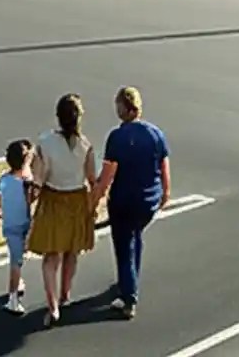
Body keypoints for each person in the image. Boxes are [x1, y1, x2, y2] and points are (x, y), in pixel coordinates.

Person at [90, 86, 171, 320]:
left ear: (124, 109)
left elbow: (107, 177)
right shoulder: (155, 134)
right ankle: (130, 278)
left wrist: (94, 201)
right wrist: (165, 193)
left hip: (124, 202)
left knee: (124, 246)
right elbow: (164, 165)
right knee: (135, 236)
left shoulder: (116, 137)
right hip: (148, 201)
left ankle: (129, 297)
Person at [27, 93, 97, 327]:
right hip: (77, 200)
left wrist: (28, 201)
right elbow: (91, 178)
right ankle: (66, 293)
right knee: (71, 251)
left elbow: (38, 179)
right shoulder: (86, 145)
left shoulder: (45, 142)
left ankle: (53, 305)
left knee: (51, 256)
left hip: (53, 201)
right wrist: (94, 206)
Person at [0, 139, 34, 314]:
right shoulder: (26, 181)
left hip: (10, 225)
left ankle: (17, 283)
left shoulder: (4, 179)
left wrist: (6, 207)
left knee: (17, 256)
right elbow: (30, 199)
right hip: (23, 224)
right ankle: (13, 298)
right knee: (16, 262)